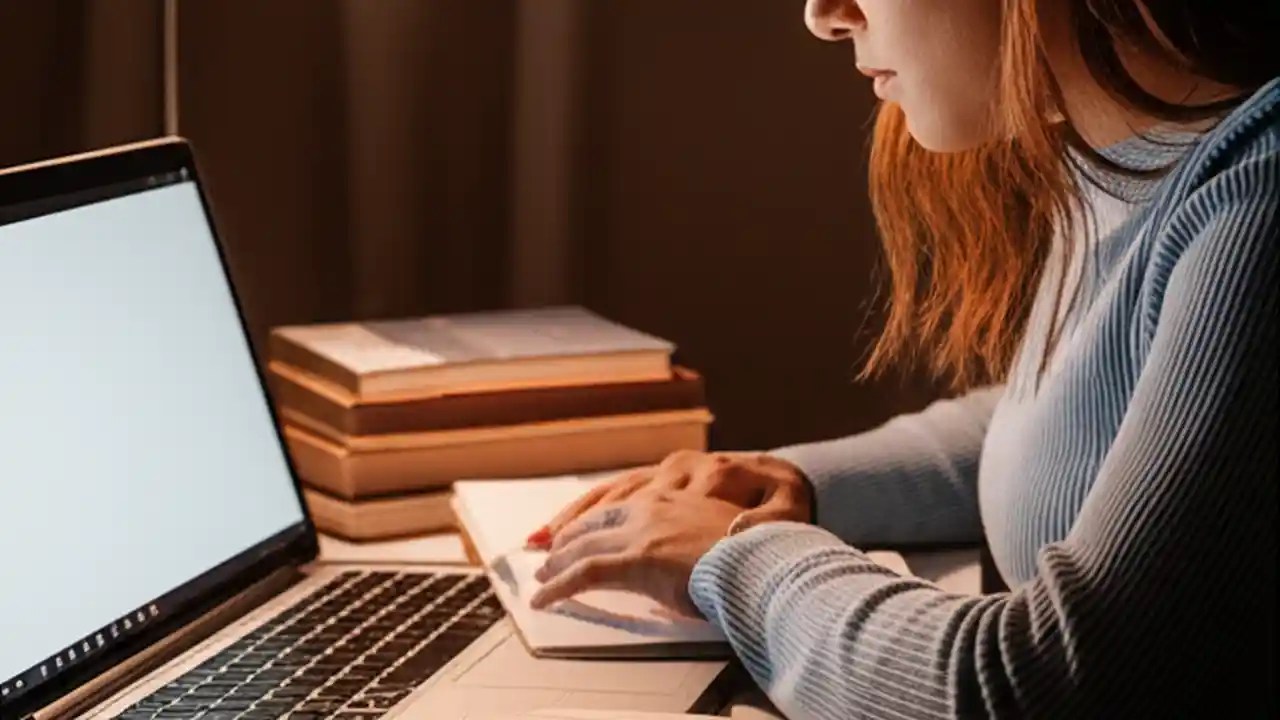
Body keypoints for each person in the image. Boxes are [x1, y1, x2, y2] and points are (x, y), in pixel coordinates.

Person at [522, 0, 1278, 717]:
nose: (822, 15)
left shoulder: (1259, 199)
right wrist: (800, 483)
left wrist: (736, 559)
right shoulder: (1126, 152)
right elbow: (1074, 422)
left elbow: (1040, 691)